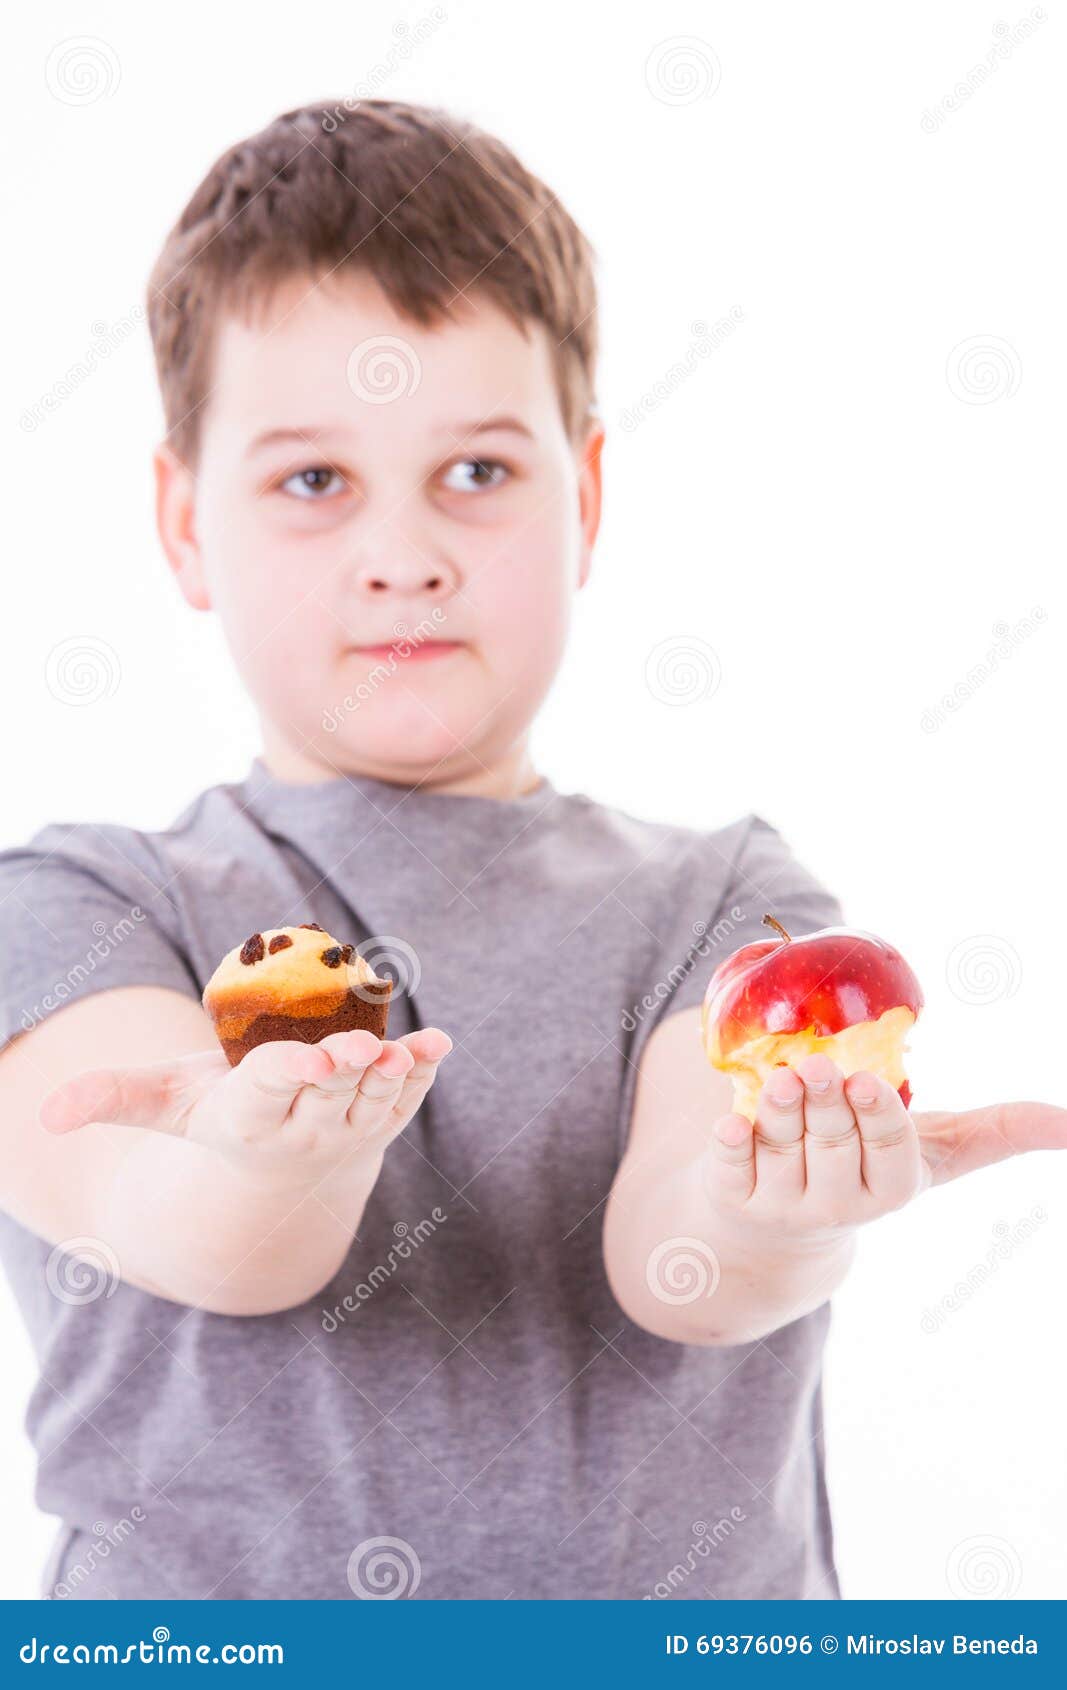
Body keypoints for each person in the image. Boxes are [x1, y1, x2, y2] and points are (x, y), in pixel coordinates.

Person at [0, 100, 1061, 1602]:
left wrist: (771, 1202)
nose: (406, 556)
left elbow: (686, 1263)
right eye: (313, 482)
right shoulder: (85, 907)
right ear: (183, 524)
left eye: (479, 472)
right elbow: (191, 1228)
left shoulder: (722, 904)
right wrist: (268, 1161)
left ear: (589, 498)